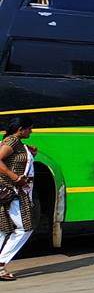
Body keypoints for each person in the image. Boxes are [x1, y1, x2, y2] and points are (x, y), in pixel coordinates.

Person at [0, 116, 36, 281]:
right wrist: (14, 177)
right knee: (25, 228)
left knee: (3, 229)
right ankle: (1, 264)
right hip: (11, 191)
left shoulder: (16, 143)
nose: (31, 131)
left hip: (9, 190)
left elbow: (15, 160)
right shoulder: (12, 141)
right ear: (20, 129)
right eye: (29, 128)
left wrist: (30, 153)